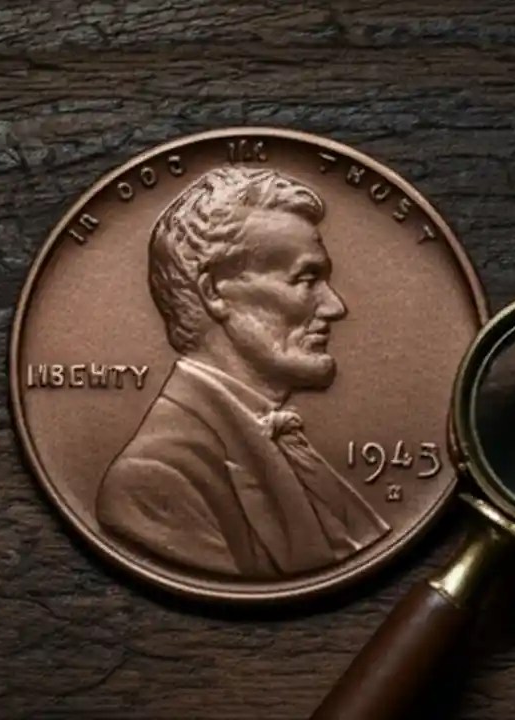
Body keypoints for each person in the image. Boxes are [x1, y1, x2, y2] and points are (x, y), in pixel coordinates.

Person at [95, 166, 390, 579]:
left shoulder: (277, 437)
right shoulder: (154, 480)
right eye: (306, 279)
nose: (335, 306)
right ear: (214, 291)